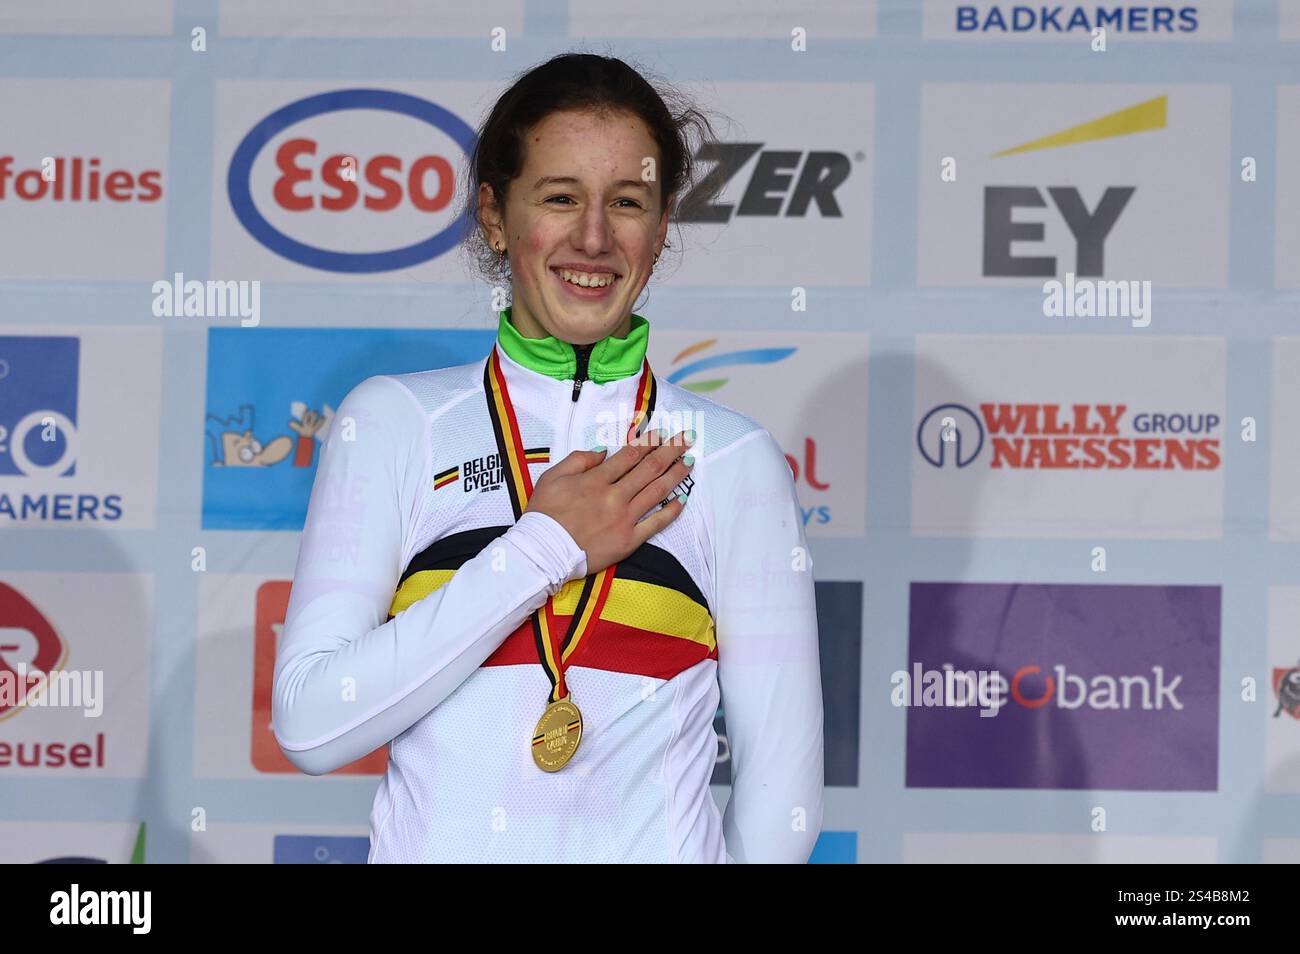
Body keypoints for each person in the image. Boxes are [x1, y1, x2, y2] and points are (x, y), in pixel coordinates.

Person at [272, 52, 824, 863]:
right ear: (495, 216)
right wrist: (545, 547)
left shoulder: (733, 459)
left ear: (661, 227)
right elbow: (313, 724)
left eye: (626, 202)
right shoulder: (397, 424)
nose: (593, 237)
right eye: (560, 198)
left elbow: (784, 802)